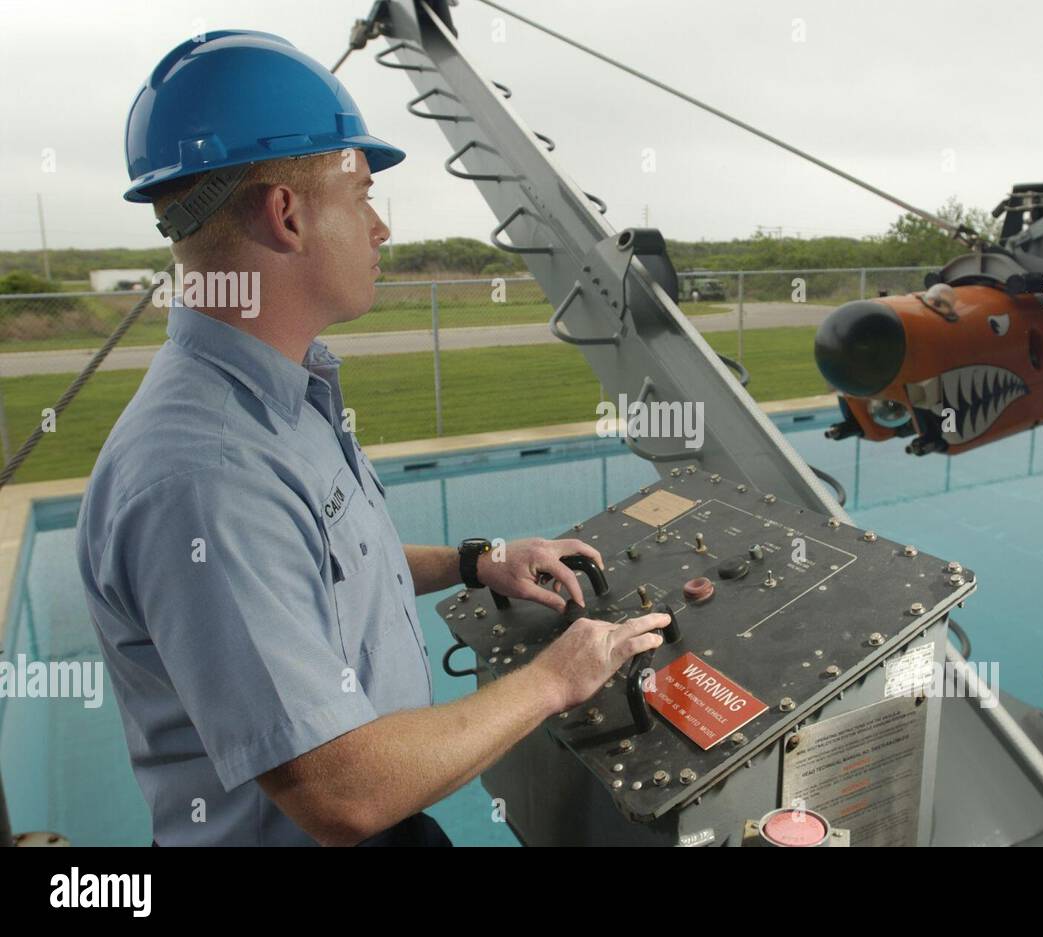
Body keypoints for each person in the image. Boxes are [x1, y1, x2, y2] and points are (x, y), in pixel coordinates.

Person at [75, 29, 665, 847]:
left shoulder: (279, 398)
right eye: (360, 195)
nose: (380, 227)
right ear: (286, 215)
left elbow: (318, 572)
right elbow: (342, 791)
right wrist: (557, 679)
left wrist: (474, 561)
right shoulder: (208, 472)